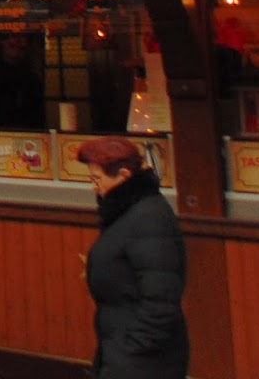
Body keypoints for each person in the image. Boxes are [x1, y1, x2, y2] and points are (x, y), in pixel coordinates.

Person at [77, 137, 188, 379]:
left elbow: (161, 300)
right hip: (125, 349)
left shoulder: (148, 218)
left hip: (142, 359)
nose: (93, 187)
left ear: (123, 175)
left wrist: (130, 351)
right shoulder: (128, 212)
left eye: (97, 179)